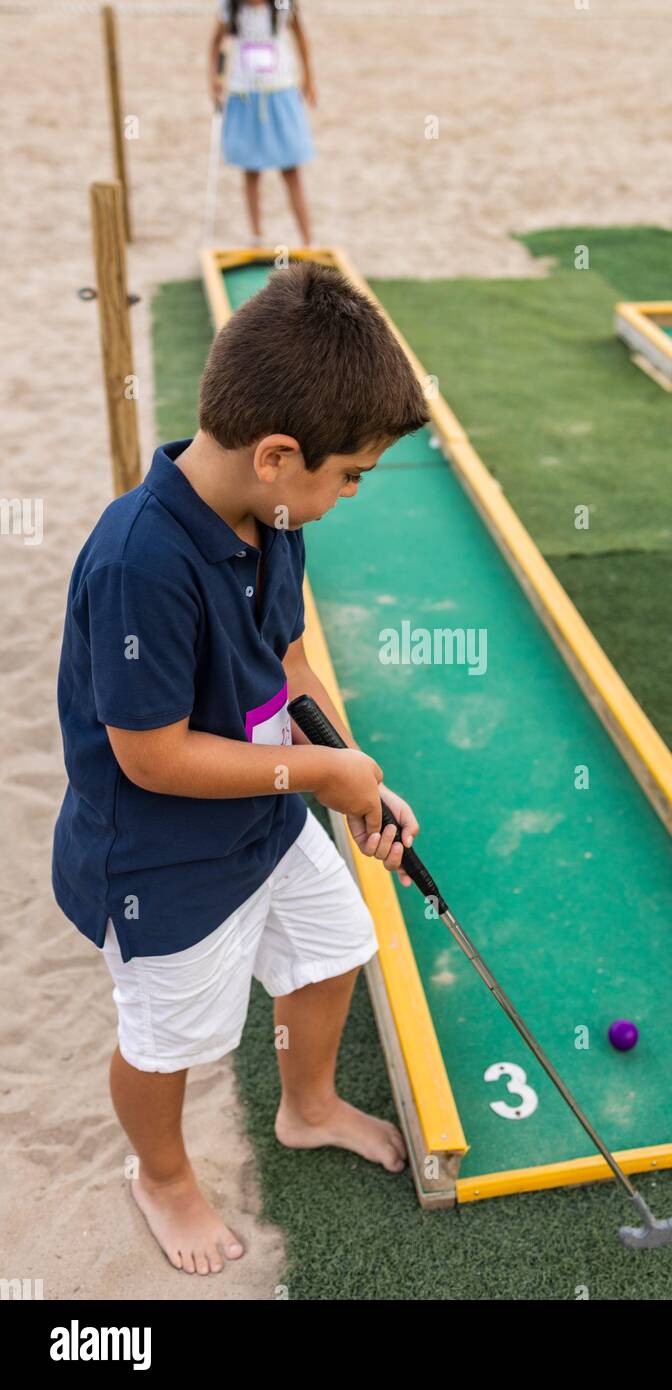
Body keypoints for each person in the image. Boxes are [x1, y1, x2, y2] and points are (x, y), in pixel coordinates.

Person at [52, 262, 431, 1276]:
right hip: (161, 860)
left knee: (333, 946)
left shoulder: (275, 517)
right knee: (168, 1039)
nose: (351, 492)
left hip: (262, 819)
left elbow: (290, 657)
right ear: (276, 453)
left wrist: (349, 767)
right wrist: (318, 779)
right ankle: (163, 1176)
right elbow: (153, 753)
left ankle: (307, 1107)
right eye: (349, 472)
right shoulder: (141, 562)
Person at [210, 0, 316, 244]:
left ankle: (308, 240)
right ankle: (256, 235)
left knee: (291, 169)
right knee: (251, 169)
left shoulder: (282, 6)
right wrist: (214, 80)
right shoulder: (231, 8)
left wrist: (309, 79)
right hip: (245, 95)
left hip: (279, 92)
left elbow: (302, 39)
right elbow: (215, 44)